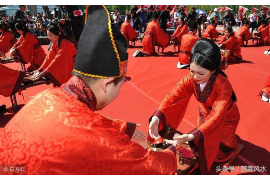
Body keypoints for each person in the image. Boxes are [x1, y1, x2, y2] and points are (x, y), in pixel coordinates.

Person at [0, 5, 177, 175]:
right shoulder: (94, 138)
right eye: (120, 84)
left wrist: (121, 127)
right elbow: (155, 168)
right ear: (107, 83)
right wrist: (172, 150)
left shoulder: (46, 96)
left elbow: (75, 119)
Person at [149, 38, 240, 175]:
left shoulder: (223, 85)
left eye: (201, 73)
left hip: (226, 117)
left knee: (221, 149)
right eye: (192, 70)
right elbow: (173, 97)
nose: (195, 77)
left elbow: (217, 114)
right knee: (200, 142)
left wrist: (192, 135)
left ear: (214, 70)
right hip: (205, 113)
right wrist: (157, 117)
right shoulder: (190, 79)